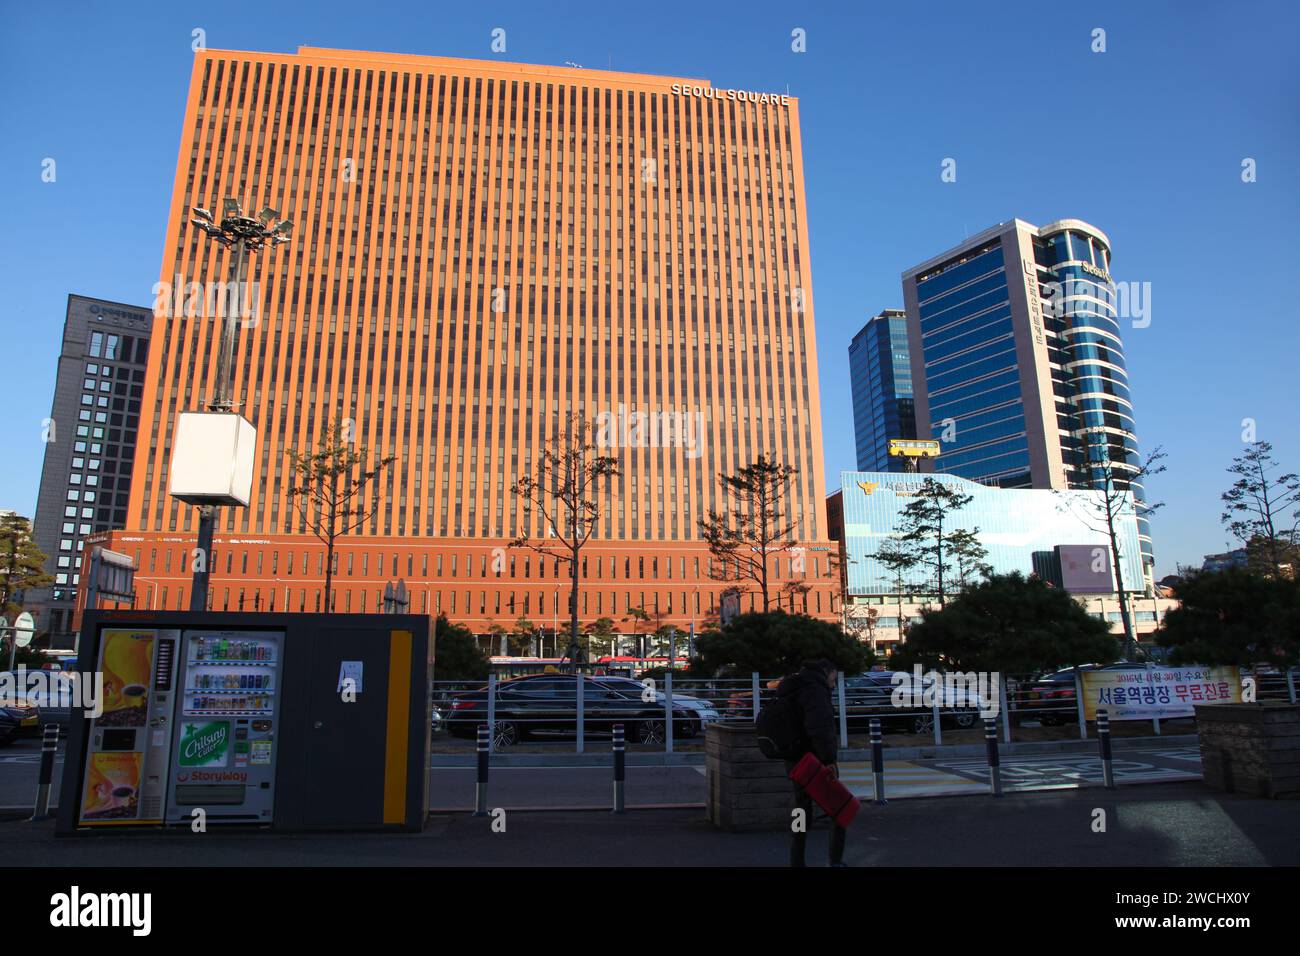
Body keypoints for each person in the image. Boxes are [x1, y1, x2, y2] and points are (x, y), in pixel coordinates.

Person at [776, 658, 847, 867]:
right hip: (814, 760)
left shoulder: (792, 685)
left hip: (793, 758)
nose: (833, 685)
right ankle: (835, 861)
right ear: (825, 673)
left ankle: (796, 860)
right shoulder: (815, 690)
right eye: (833, 680)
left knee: (801, 809)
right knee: (839, 809)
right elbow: (820, 728)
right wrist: (829, 761)